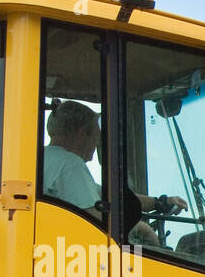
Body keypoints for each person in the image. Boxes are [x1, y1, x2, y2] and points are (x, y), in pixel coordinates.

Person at [42, 101, 187, 246]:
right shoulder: (70, 164)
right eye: (96, 138)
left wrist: (159, 202)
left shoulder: (42, 158)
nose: (96, 146)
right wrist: (140, 228)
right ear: (82, 134)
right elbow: (95, 219)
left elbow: (110, 196)